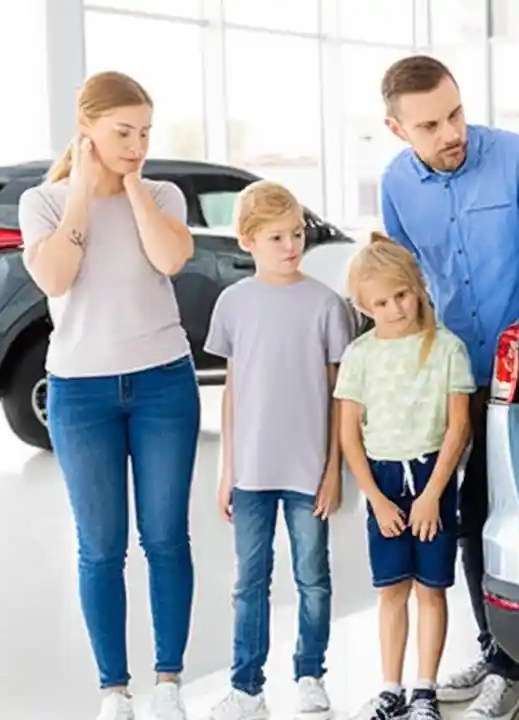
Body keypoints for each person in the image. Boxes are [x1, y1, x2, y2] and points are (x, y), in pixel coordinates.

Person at [378, 53, 519, 720]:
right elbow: (407, 283)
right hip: (447, 377)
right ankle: (494, 651)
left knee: (495, 511)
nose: (451, 132)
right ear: (397, 130)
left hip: (515, 377)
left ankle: (506, 667)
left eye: (455, 113)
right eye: (430, 125)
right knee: (458, 518)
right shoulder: (395, 186)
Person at [17, 71, 199, 720]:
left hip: (163, 383)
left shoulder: (163, 194)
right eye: (123, 133)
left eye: (145, 132)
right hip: (81, 393)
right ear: (86, 129)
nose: (137, 145)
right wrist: (82, 195)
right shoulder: (42, 204)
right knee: (100, 547)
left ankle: (170, 681)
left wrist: (132, 187)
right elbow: (56, 278)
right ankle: (113, 690)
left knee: (166, 538)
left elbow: (169, 259)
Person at [203, 180, 354, 720]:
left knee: (313, 578)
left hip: (308, 471)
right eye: (276, 237)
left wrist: (333, 470)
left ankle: (310, 674)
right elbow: (233, 390)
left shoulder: (326, 305)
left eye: (296, 233)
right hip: (251, 472)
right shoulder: (233, 304)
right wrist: (227, 469)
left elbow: (340, 395)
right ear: (247, 241)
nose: (291, 246)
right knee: (250, 582)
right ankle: (247, 688)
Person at [336, 233, 475, 720]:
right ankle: (390, 689)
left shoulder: (448, 348)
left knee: (431, 588)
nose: (395, 308)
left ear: (418, 287)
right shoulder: (360, 355)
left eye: (402, 294)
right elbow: (349, 434)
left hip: (433, 477)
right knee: (392, 589)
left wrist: (433, 494)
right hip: (384, 481)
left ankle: (424, 691)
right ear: (364, 307)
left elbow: (459, 426)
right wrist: (375, 498)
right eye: (381, 302)